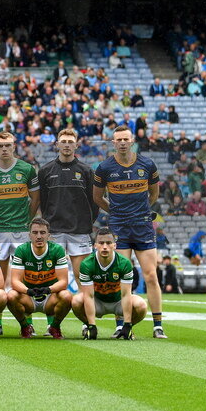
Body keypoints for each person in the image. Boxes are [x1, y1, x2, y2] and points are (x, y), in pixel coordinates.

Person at [92, 125, 166, 338]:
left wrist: (141, 211)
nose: (122, 143)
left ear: (131, 140)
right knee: (120, 277)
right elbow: (98, 198)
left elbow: (153, 194)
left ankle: (158, 325)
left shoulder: (147, 164)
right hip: (119, 228)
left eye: (126, 139)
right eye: (118, 140)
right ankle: (121, 325)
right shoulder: (104, 167)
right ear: (113, 142)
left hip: (143, 226)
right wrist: (115, 212)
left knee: (151, 276)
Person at [0, 131, 39, 336]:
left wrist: (26, 220)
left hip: (22, 231)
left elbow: (35, 199)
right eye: (0, 145)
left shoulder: (26, 169)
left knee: (25, 280)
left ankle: (27, 323)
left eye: (8, 145)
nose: (4, 149)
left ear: (14, 146)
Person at [37, 128, 97, 286]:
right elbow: (42, 201)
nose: (67, 145)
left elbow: (94, 202)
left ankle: (84, 309)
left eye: (71, 142)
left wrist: (87, 222)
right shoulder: (45, 171)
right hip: (54, 230)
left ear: (77, 145)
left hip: (79, 231)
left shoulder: (86, 171)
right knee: (51, 277)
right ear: (57, 144)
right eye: (63, 142)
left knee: (82, 278)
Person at [71, 228, 147, 340]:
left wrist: (127, 324)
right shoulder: (87, 264)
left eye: (108, 243)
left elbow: (126, 295)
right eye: (101, 243)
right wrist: (92, 325)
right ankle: (89, 327)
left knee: (141, 305)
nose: (105, 246)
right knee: (76, 301)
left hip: (118, 302)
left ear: (114, 245)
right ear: (95, 245)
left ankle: (126, 328)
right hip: (97, 302)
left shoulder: (124, 263)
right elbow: (89, 296)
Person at [6, 219, 72, 339]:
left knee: (67, 296)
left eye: (42, 232)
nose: (39, 236)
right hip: (29, 297)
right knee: (10, 295)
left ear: (48, 235)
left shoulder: (57, 250)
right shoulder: (22, 250)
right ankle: (25, 326)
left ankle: (55, 326)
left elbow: (64, 282)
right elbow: (15, 281)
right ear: (29, 235)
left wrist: (48, 289)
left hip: (49, 297)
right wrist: (28, 291)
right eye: (35, 233)